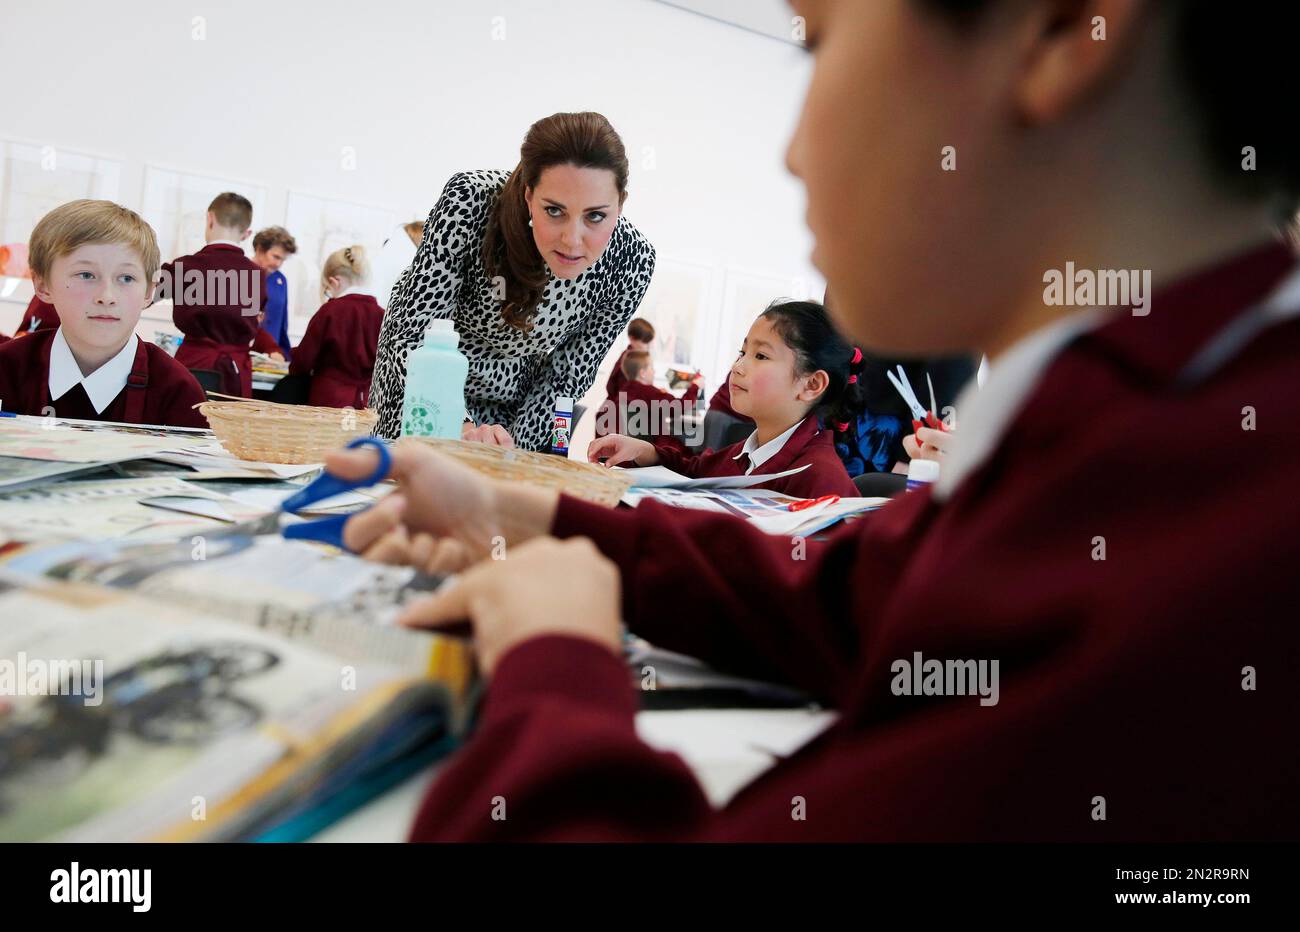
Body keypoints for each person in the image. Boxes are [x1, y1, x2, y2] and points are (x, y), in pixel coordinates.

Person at [326, 0, 1300, 841]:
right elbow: (848, 594)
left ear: (1054, 29)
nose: (791, 153)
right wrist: (540, 524)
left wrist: (555, 658)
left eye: (817, 41)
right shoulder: (1138, 427)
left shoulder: (1216, 542)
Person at [369, 111, 656, 451]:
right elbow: (414, 332)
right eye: (554, 211)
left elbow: (568, 375)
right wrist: (456, 426)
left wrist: (523, 453)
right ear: (528, 194)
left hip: (517, 400)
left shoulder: (632, 260)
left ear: (620, 203)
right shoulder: (471, 203)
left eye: (595, 216)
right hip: (424, 381)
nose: (572, 240)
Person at [590, 300, 859, 498]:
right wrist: (645, 450)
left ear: (812, 384)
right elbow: (695, 473)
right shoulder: (746, 452)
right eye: (742, 352)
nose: (738, 367)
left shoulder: (820, 479)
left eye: (761, 356)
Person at [0, 200, 207, 427]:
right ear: (42, 285)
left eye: (126, 278)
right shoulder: (7, 368)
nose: (107, 296)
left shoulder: (178, 392)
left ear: (149, 291)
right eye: (86, 275)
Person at [164, 192, 268, 397]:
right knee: (232, 428)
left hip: (194, 366)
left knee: (185, 425)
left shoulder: (185, 266)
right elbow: (257, 317)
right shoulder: (257, 275)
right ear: (246, 234)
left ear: (210, 218)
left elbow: (142, 295)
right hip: (237, 371)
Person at [289, 245, 384, 408]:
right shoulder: (382, 314)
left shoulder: (330, 311)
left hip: (329, 399)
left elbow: (303, 362)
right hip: (367, 401)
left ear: (334, 281)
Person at [593, 348, 702, 453]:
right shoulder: (648, 392)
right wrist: (695, 386)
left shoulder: (625, 390)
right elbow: (680, 407)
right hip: (656, 449)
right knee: (697, 450)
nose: (654, 371)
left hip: (633, 450)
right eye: (651, 367)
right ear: (642, 373)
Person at [251, 225, 297, 359]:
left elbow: (282, 325)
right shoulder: (242, 274)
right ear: (260, 250)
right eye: (275, 257)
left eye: (282, 259)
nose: (278, 264)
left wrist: (285, 356)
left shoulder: (280, 280)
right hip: (248, 353)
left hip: (272, 356)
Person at [604, 317, 656, 402]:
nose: (648, 347)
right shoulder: (627, 361)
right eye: (645, 342)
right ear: (632, 338)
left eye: (649, 342)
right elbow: (612, 387)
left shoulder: (641, 358)